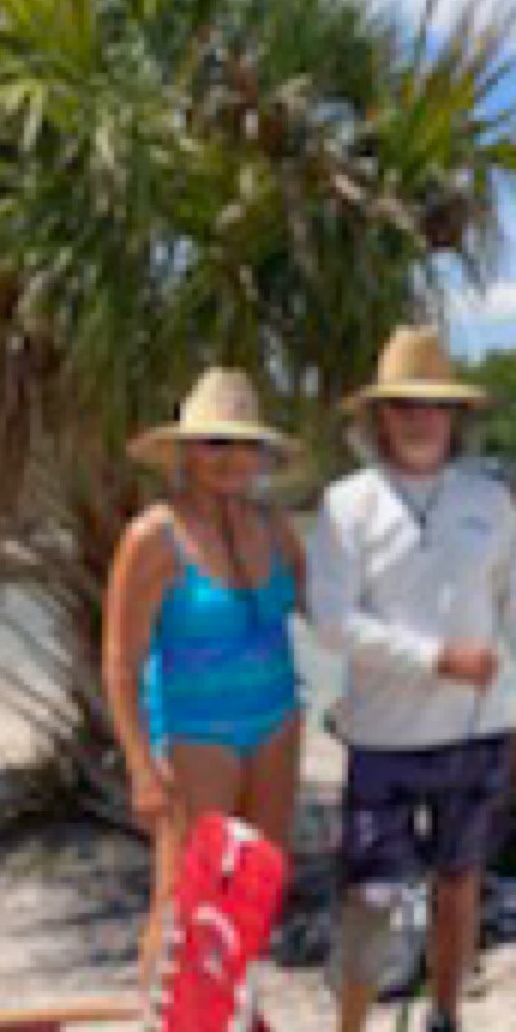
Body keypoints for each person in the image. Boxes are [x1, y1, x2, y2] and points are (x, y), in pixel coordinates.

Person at [307, 325, 516, 1032]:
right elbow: (329, 623)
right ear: (381, 418)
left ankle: (447, 1026)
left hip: (478, 735)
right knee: (371, 898)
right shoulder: (344, 504)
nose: (421, 420)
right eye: (405, 408)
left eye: (436, 407)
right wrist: (435, 658)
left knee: (461, 886)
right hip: (383, 740)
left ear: (455, 419)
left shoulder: (489, 501)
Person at [103, 367, 306, 983]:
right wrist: (141, 765)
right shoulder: (153, 537)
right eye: (216, 443)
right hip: (196, 733)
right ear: (186, 452)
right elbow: (120, 662)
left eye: (246, 444)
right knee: (183, 900)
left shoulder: (275, 527)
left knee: (256, 889)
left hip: (276, 722)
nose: (232, 458)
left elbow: (329, 608)